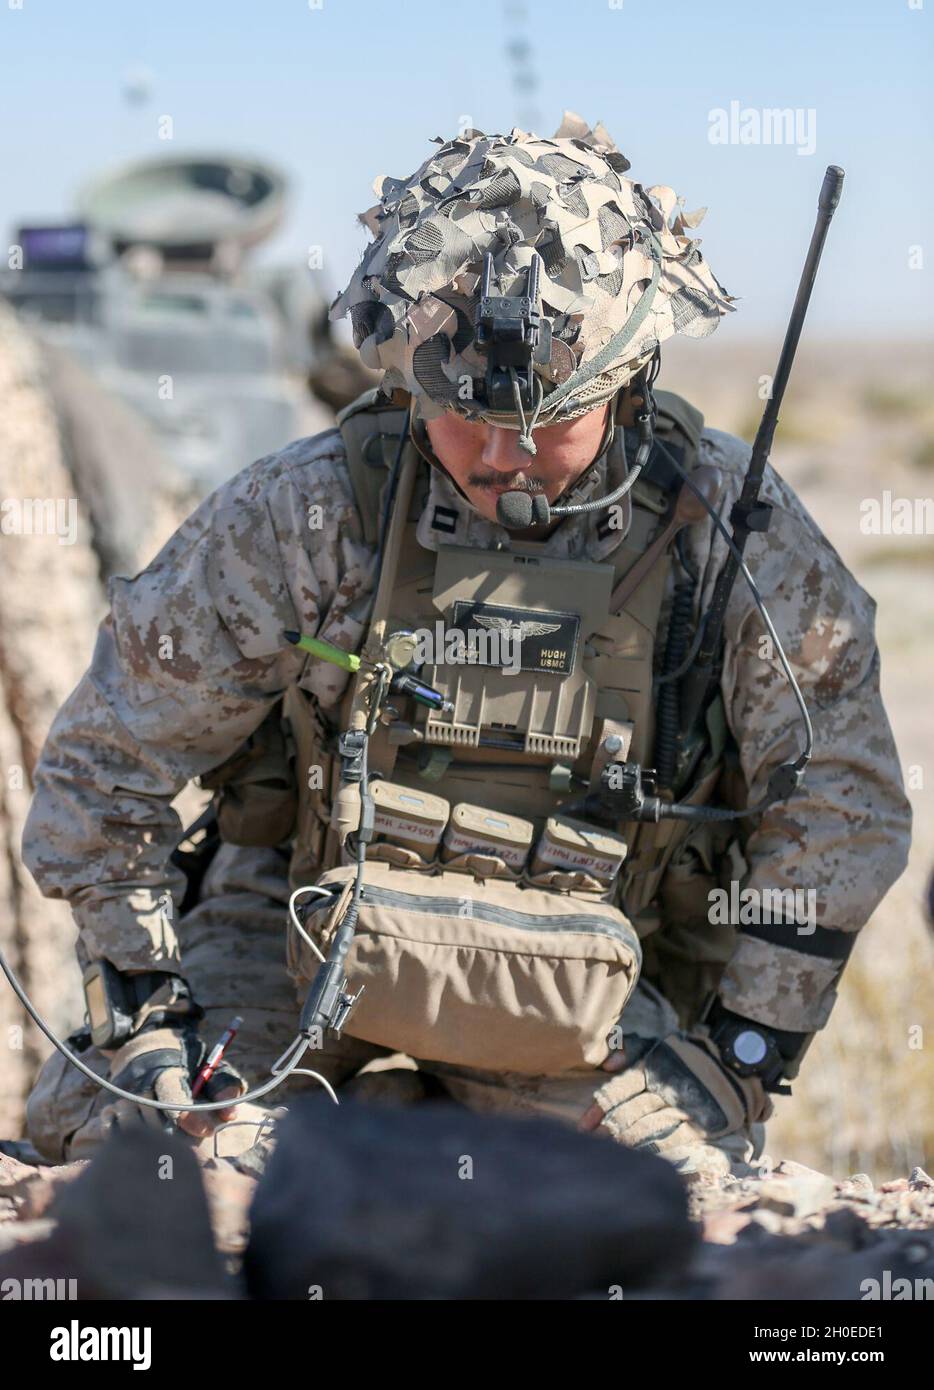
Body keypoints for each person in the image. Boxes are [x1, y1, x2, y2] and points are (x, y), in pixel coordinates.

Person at [22, 114, 911, 1176]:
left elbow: (843, 813)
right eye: (458, 414)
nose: (501, 457)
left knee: (645, 1196)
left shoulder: (730, 531)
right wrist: (149, 1016)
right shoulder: (309, 512)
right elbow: (101, 769)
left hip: (578, 985)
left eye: (547, 421)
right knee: (137, 1147)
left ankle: (429, 1124)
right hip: (290, 941)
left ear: (625, 383)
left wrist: (732, 1057)